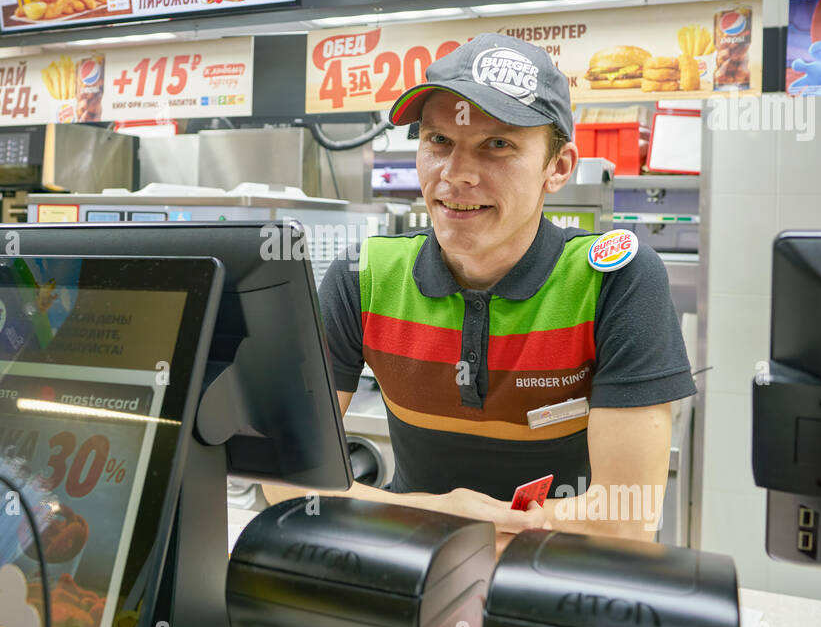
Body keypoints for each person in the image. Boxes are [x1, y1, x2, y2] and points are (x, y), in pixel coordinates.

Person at [264, 34, 695, 550]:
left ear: (557, 168)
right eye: (438, 141)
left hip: (559, 578)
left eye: (498, 145)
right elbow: (285, 483)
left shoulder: (613, 280)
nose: (456, 174)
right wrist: (438, 513)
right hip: (408, 568)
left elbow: (626, 519)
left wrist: (463, 523)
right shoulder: (364, 276)